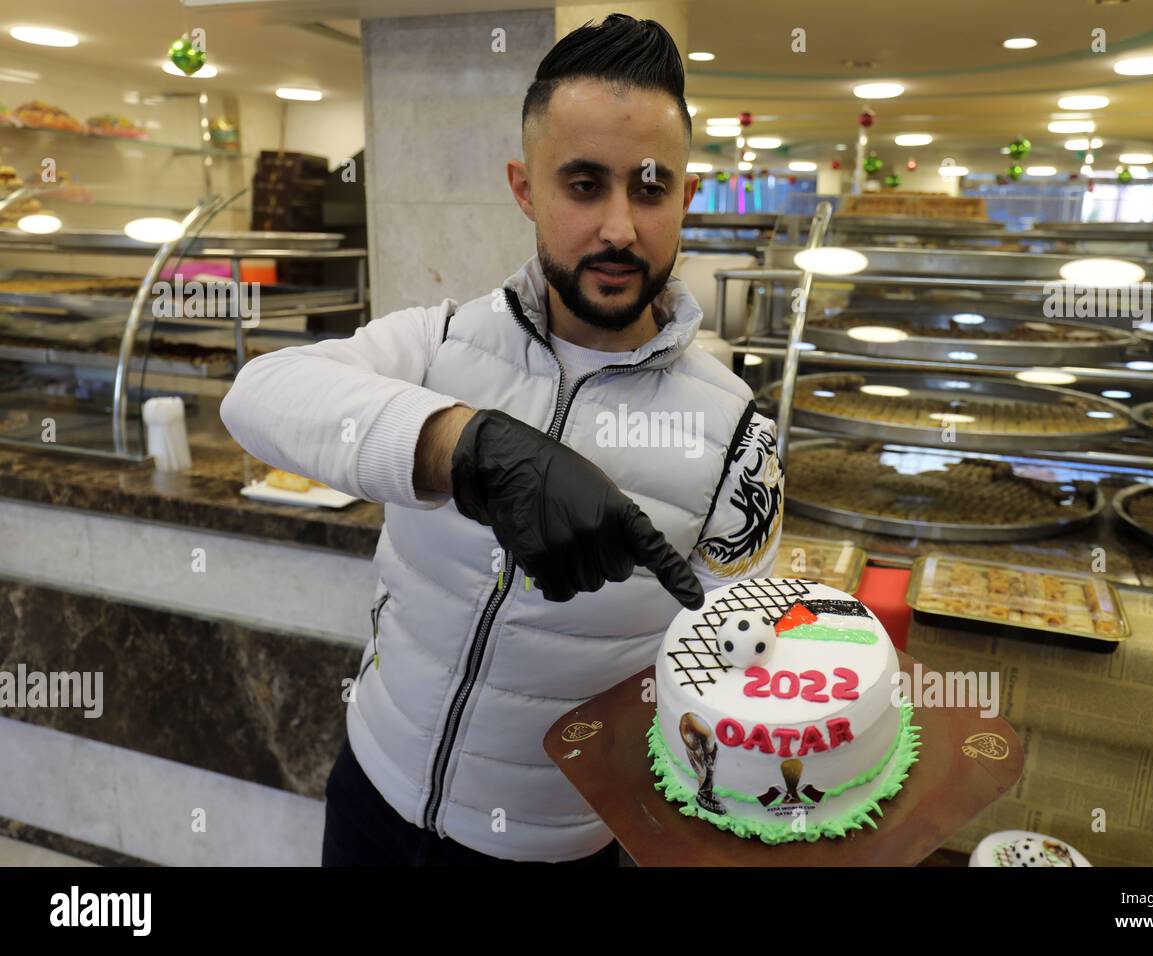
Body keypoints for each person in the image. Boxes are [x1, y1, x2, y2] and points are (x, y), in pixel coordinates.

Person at [220, 13, 784, 866]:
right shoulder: (438, 343)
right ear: (526, 188)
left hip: (552, 846)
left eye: (650, 187)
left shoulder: (740, 435)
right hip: (372, 791)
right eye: (584, 185)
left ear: (688, 196)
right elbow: (258, 395)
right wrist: (463, 443)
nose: (621, 228)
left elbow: (734, 673)